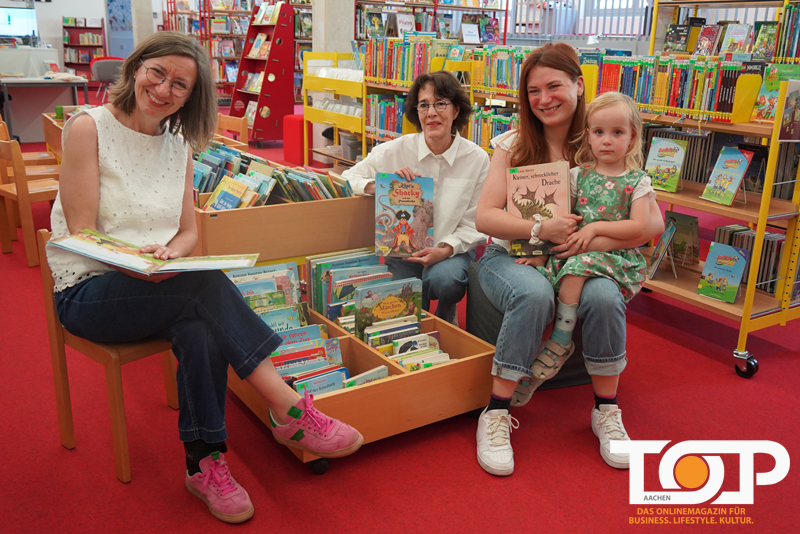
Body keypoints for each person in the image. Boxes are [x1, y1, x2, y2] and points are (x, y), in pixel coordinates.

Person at [46, 32, 362, 524]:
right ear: (135, 68)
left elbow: (189, 232)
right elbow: (83, 232)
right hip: (89, 290)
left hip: (159, 286)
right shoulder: (89, 127)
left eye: (181, 84)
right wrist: (140, 261)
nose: (164, 89)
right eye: (158, 73)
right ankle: (288, 407)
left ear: (191, 97)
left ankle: (204, 464)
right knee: (202, 287)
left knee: (200, 324)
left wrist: (170, 253)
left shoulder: (179, 146)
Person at [473, 43, 665, 477]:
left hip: (585, 260)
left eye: (555, 85)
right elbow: (487, 217)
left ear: (579, 85)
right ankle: (496, 412)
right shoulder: (513, 144)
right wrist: (539, 231)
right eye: (534, 90)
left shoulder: (601, 137)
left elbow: (650, 222)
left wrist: (592, 235)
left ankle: (606, 411)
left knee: (601, 296)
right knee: (534, 293)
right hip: (513, 256)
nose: (544, 98)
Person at [343, 70, 490, 324]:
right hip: (403, 251)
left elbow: (476, 222)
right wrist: (382, 186)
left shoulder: (477, 159)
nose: (431, 113)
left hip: (451, 251)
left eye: (440, 103)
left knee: (446, 280)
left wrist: (445, 249)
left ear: (456, 111)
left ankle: (446, 314)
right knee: (401, 310)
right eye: (424, 105)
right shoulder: (394, 151)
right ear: (416, 112)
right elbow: (346, 178)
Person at [530, 92, 652, 380]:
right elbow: (560, 218)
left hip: (616, 258)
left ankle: (560, 339)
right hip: (579, 251)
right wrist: (540, 254)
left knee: (573, 271)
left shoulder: (639, 181)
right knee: (556, 275)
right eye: (599, 132)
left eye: (617, 132)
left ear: (632, 138)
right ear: (588, 136)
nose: (607, 140)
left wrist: (595, 227)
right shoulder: (577, 175)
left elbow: (639, 227)